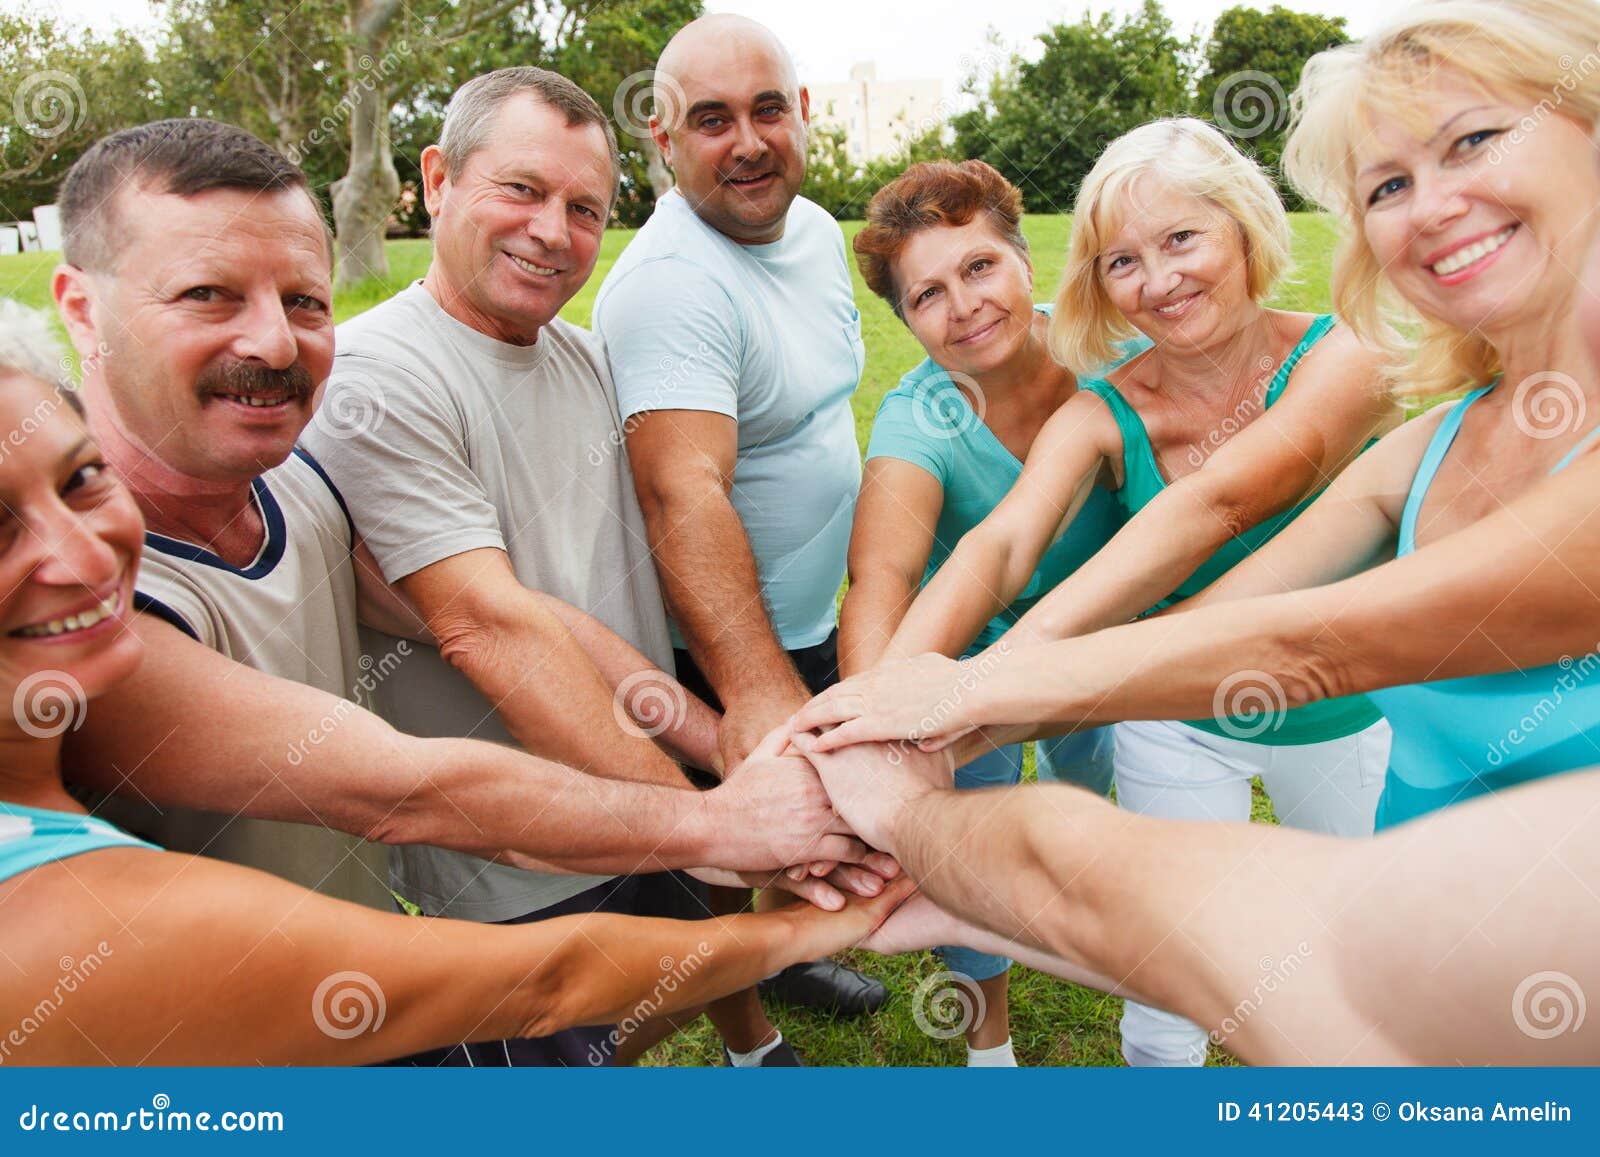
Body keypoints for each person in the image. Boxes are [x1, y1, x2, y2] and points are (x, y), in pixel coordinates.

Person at [792, 0, 1600, 1057]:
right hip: (1433, 999)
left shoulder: (1350, 368)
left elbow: (1300, 629)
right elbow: (1202, 603)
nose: (1433, 205)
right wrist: (914, 724)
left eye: (1473, 141)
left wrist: (954, 708)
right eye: (1388, 186)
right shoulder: (1445, 436)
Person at [41, 116, 879, 1058]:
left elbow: (524, 612)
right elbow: (410, 790)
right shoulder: (73, 605)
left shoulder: (295, 487)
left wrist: (729, 751)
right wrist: (725, 823)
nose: (274, 342)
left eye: (306, 301)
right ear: (81, 308)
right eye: (207, 295)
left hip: (359, 1000)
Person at [299, 68, 885, 1068]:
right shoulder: (378, 375)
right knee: (556, 1057)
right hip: (521, 849)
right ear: (437, 179)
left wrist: (732, 755)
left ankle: (748, 1038)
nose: (551, 231)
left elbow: (592, 601)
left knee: (672, 972)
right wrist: (710, 818)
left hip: (635, 777)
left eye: (583, 208)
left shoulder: (586, 358)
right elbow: (495, 623)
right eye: (519, 190)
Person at [846, 117, 1396, 1067]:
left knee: (1365, 949)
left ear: (1244, 230)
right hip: (1167, 712)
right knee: (1166, 974)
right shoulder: (1100, 404)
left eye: (1183, 239)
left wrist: (996, 685)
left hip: (1337, 707)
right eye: (1123, 262)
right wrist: (874, 707)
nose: (1161, 280)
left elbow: (1221, 502)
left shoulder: (1348, 357)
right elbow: (1000, 544)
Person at [591, 13, 884, 1047]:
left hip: (807, 614)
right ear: (665, 144)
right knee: (729, 851)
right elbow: (683, 493)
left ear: (803, 115)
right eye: (711, 120)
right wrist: (758, 686)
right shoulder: (672, 286)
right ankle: (747, 1032)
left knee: (799, 824)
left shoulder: (807, 230)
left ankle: (790, 953)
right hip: (715, 631)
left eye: (767, 109)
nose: (748, 140)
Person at [841, 158, 1132, 1065]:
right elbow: (882, 579)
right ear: (908, 323)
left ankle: (1094, 937)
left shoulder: (1117, 361)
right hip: (962, 658)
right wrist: (871, 728)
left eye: (979, 268)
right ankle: (988, 1050)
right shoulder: (918, 416)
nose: (962, 305)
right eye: (927, 295)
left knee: (1089, 806)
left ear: (1025, 262)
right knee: (968, 839)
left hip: (1096, 640)